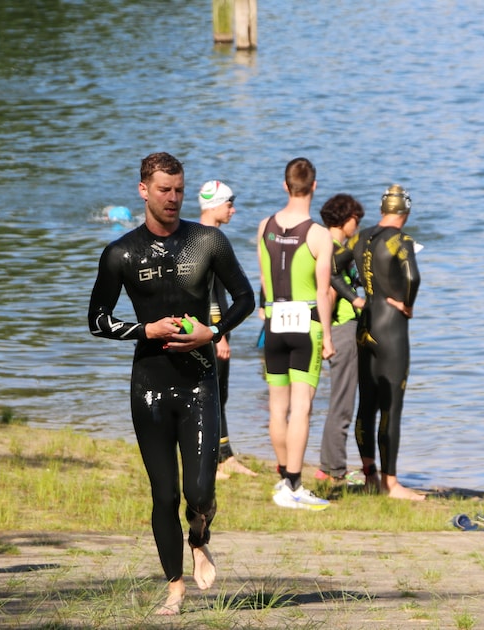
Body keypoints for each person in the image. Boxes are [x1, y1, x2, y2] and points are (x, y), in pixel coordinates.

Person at [88, 153, 254, 615]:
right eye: (164, 190)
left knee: (200, 492)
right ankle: (174, 588)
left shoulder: (208, 242)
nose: (173, 198)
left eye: (179, 190)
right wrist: (146, 331)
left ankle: (199, 535)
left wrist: (213, 332)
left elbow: (245, 298)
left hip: (200, 380)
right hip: (149, 387)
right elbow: (97, 320)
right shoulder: (121, 253)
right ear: (143, 190)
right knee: (164, 492)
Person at [256, 157, 335, 511]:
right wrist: (329, 337)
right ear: (314, 186)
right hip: (306, 323)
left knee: (278, 407)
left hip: (274, 322)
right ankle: (293, 484)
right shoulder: (320, 236)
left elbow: (263, 280)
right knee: (301, 408)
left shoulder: (263, 227)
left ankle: (284, 478)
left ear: (285, 185)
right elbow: (323, 293)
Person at [352, 184, 425, 501]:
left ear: (383, 210)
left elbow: (331, 272)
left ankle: (369, 477)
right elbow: (412, 277)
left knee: (366, 405)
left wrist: (354, 299)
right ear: (404, 213)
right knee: (391, 408)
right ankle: (391, 483)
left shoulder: (361, 236)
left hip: (366, 325)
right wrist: (406, 303)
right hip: (392, 330)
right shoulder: (401, 241)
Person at [195, 180, 257, 480]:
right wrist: (217, 333)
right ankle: (210, 459)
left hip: (215, 328)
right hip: (211, 331)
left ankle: (224, 454)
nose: (233, 209)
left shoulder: (208, 236)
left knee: (220, 393)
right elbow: (207, 293)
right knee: (210, 394)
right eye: (229, 204)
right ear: (214, 205)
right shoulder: (208, 239)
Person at [315, 194, 367, 486]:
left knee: (340, 398)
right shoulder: (334, 249)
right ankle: (334, 467)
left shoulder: (323, 245)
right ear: (345, 219)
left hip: (337, 327)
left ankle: (329, 463)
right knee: (343, 400)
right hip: (342, 327)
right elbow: (331, 290)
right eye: (355, 221)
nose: (357, 226)